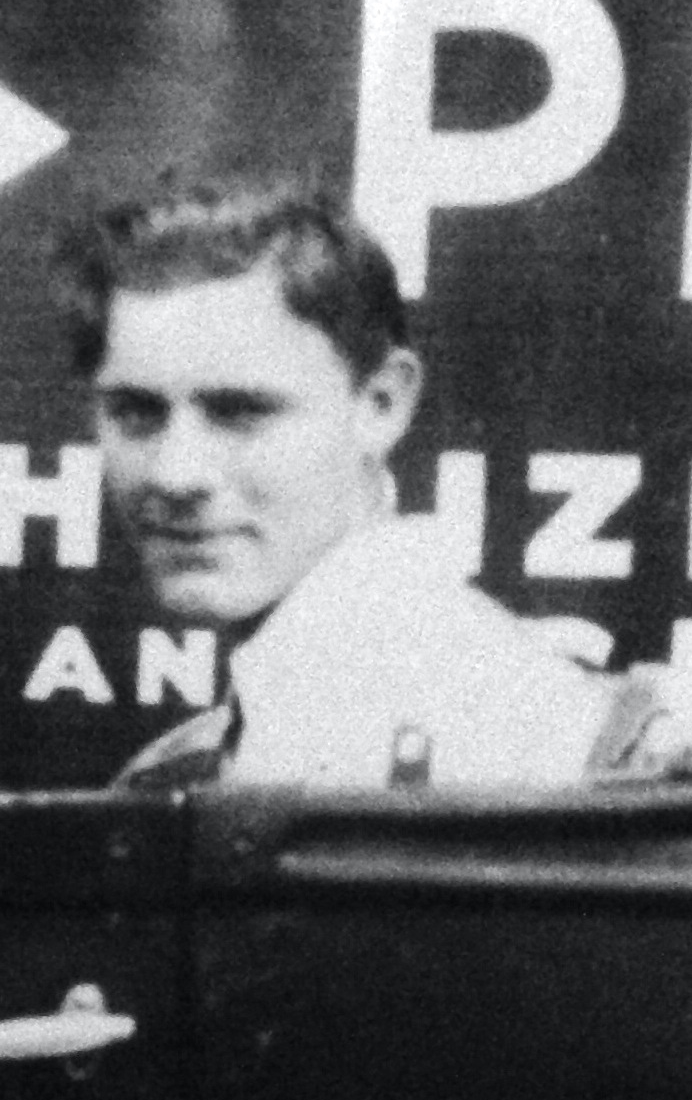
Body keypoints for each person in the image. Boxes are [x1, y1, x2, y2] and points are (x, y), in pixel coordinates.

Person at [59, 173, 625, 788]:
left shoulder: (495, 726)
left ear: (381, 403)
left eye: (240, 411)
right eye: (135, 412)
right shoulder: (223, 743)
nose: (176, 474)